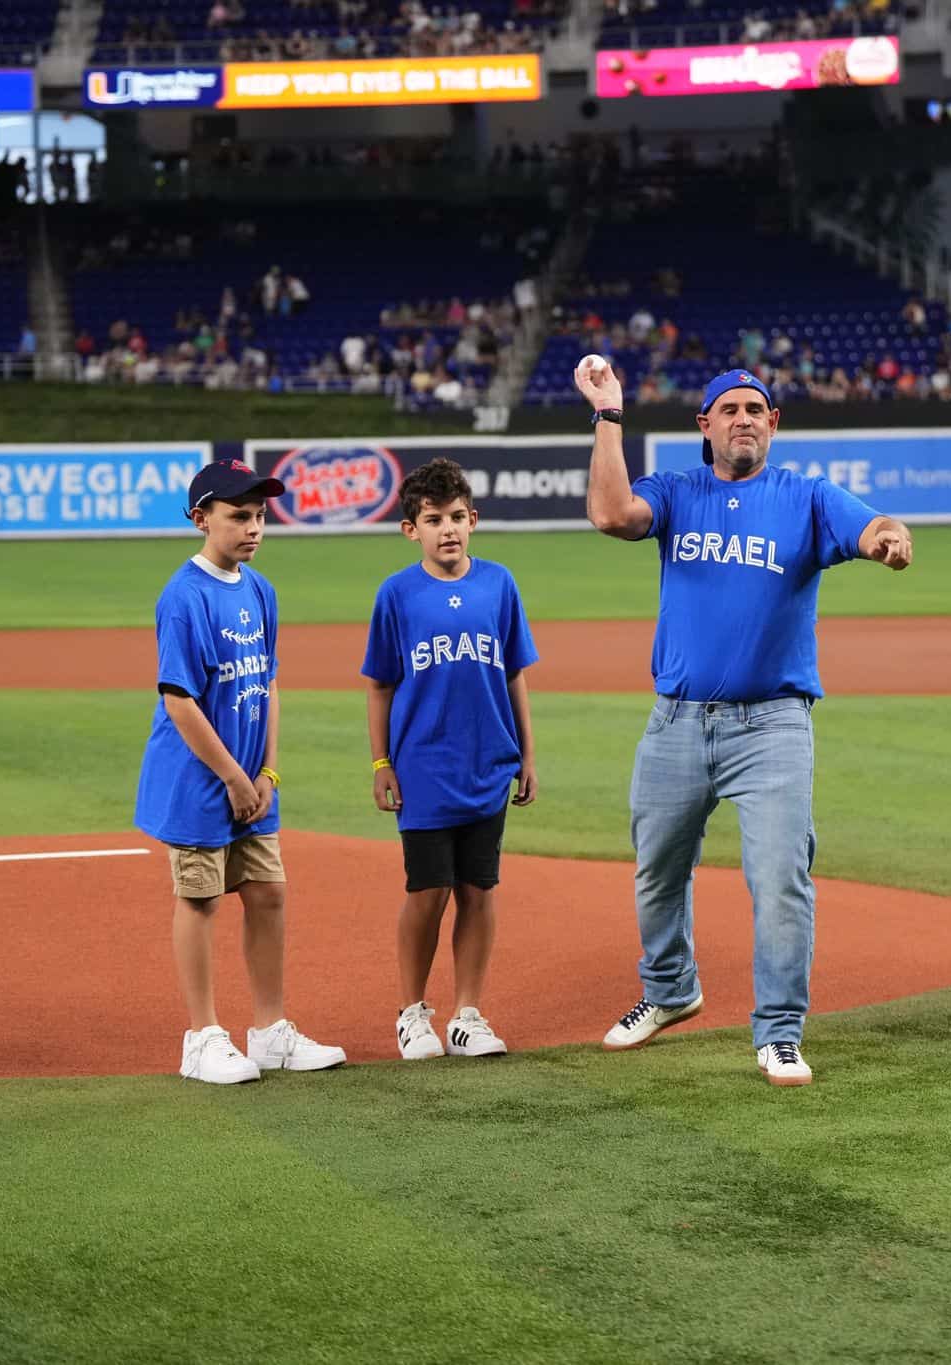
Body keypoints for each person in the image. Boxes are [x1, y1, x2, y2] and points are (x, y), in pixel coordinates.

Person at [575, 362, 915, 1088]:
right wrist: (608, 413)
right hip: (675, 722)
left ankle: (780, 1031)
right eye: (728, 408)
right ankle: (670, 989)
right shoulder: (676, 490)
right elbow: (611, 515)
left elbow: (873, 524)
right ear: (705, 425)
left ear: (774, 422)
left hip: (773, 727)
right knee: (656, 869)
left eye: (756, 408)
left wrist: (890, 537)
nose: (744, 418)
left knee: (780, 878)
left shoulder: (807, 498)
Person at [135, 459, 347, 1084]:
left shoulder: (260, 590)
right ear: (201, 518)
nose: (253, 528)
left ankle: (269, 1032)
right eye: (238, 516)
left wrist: (268, 774)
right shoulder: (184, 596)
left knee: (268, 893)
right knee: (200, 899)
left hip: (253, 782)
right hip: (200, 779)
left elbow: (268, 680)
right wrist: (232, 776)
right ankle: (201, 1038)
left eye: (259, 517)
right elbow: (179, 700)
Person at [362, 459, 540, 1061]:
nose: (448, 530)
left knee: (479, 889)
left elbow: (513, 674)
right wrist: (380, 763)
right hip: (423, 768)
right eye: (433, 519)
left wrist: (527, 755)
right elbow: (381, 685)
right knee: (427, 891)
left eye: (457, 517)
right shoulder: (397, 594)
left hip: (489, 762)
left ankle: (467, 1014)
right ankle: (412, 1013)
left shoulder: (500, 583)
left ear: (474, 520)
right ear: (410, 529)